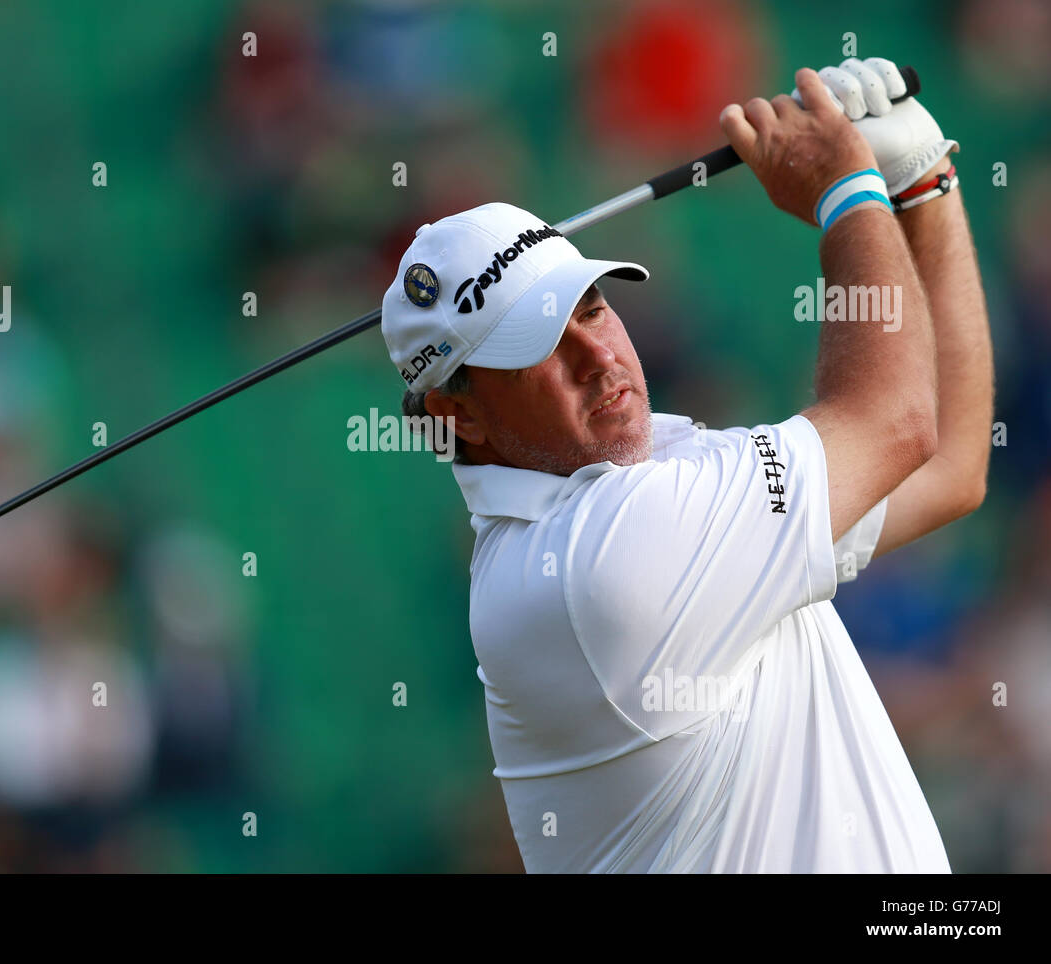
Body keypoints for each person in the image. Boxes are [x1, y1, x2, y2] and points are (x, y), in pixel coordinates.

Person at [379, 56, 991, 872]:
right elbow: (894, 423)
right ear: (458, 417)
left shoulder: (643, 476)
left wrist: (922, 190)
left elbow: (947, 464)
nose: (599, 356)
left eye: (593, 306)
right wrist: (849, 192)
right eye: (541, 349)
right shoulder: (587, 567)